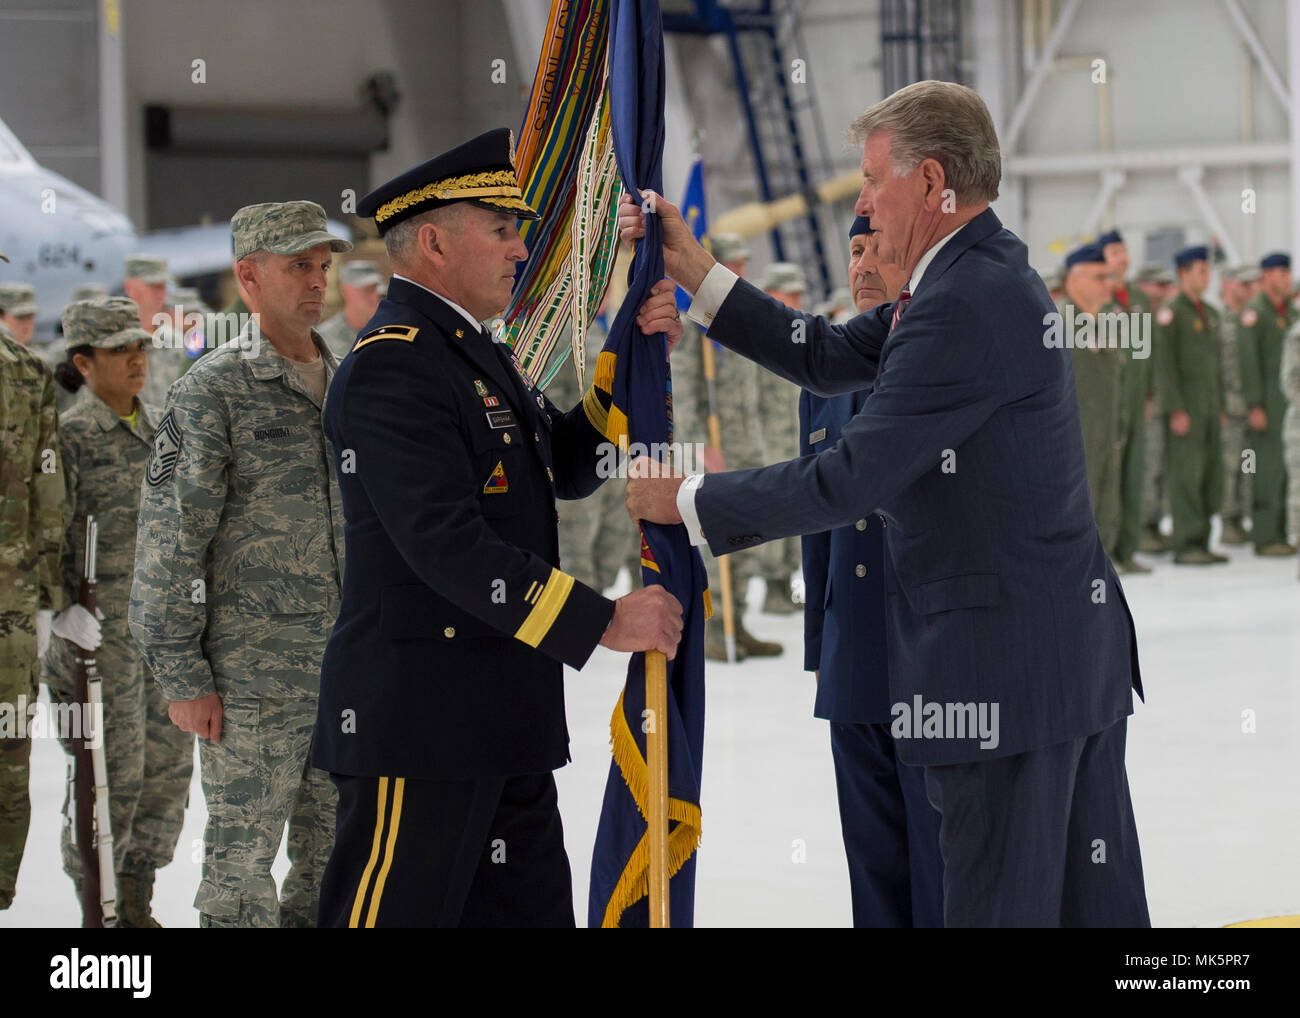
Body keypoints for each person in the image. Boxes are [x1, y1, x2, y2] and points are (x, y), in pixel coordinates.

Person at [621, 80, 1149, 927]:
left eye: (873, 179)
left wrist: (685, 500)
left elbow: (850, 478)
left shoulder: (962, 302)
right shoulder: (973, 275)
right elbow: (826, 353)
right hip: (1056, 664)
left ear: (933, 180)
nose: (861, 200)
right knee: (1095, 908)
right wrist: (694, 270)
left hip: (1005, 680)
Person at [312, 128, 684, 928]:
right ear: (435, 242)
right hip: (419, 732)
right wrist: (604, 620)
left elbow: (563, 466)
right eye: (503, 229)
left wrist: (630, 355)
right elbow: (447, 545)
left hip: (500, 721)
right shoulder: (395, 362)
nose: (521, 249)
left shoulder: (477, 352)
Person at [129, 200, 352, 927]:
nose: (317, 281)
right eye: (298, 267)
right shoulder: (213, 390)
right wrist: (183, 676)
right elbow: (170, 540)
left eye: (323, 266)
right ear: (249, 276)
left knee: (335, 860)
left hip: (348, 671)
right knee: (239, 873)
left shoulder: (351, 381)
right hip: (250, 681)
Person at [801, 215, 942, 927]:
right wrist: (816, 651)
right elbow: (818, 535)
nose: (859, 266)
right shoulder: (822, 385)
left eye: (874, 250)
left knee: (936, 859)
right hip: (852, 658)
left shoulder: (938, 358)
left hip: (930, 661)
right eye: (851, 251)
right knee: (872, 860)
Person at [44, 298, 194, 926]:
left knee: (166, 774)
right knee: (108, 777)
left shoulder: (165, 428)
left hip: (162, 636)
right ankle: (98, 912)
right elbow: (46, 532)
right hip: (95, 639)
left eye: (141, 347)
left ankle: (137, 907)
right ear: (84, 362)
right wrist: (59, 613)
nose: (138, 360)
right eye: (119, 350)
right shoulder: (69, 439)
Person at [671, 233, 780, 660]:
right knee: (712, 541)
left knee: (745, 540)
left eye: (743, 265)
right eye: (733, 264)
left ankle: (739, 621)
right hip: (711, 451)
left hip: (746, 448)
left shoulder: (743, 321)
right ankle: (714, 628)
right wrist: (699, 448)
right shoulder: (697, 323)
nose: (741, 272)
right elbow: (682, 392)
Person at [0, 277, 68, 911]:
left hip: (14, 603)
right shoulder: (25, 369)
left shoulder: (26, 372)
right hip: (15, 605)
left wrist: (50, 595)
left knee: (9, 758)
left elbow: (49, 485)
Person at [1157, 246, 1228, 564]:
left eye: (1207, 270)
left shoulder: (1210, 313)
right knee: (1186, 474)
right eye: (1200, 270)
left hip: (1210, 407)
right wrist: (1175, 408)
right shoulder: (1171, 313)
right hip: (1186, 409)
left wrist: (1222, 406)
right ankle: (1186, 543)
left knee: (1211, 475)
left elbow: (1218, 365)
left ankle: (1203, 540)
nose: (1206, 276)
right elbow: (1164, 364)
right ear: (1183, 274)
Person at [1063, 242, 1129, 562]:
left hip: (1105, 434)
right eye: (1099, 277)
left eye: (1109, 277)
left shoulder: (1105, 325)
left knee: (1106, 500)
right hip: (1073, 439)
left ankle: (1103, 560)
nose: (1108, 284)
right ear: (1074, 280)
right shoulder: (1057, 324)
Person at [755, 261, 807, 616]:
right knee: (771, 516)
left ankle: (786, 583)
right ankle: (772, 587)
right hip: (766, 443)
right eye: (790, 292)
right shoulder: (758, 336)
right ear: (773, 294)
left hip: (794, 439)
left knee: (796, 514)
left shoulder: (800, 333)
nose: (797, 298)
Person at [1100, 229, 1153, 573]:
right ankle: (1106, 550)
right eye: (1115, 251)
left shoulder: (1139, 298)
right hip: (1108, 401)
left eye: (1124, 251)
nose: (1122, 258)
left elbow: (1149, 351)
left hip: (1136, 398)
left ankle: (1128, 547)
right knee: (1109, 475)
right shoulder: (1098, 301)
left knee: (1135, 473)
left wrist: (1150, 394)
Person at [1237, 252, 1296, 556]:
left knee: (1287, 470)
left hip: (1288, 403)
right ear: (1266, 276)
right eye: (1280, 273)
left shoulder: (1288, 313)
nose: (1286, 278)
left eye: (1288, 272)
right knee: (1266, 471)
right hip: (1267, 403)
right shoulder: (1255, 313)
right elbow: (1248, 362)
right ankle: (1264, 535)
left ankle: (1284, 532)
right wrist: (1254, 404)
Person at [1217, 264, 1259, 545]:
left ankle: (1246, 516)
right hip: (1228, 406)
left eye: (1251, 285)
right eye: (1242, 284)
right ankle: (1228, 520)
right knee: (1230, 465)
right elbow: (1212, 368)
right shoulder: (1218, 322)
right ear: (1228, 286)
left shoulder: (1249, 320)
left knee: (1249, 465)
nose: (1248, 290)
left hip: (1249, 405)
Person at [1136, 262, 1176, 552]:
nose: (1162, 291)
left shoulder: (1158, 318)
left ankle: (1154, 524)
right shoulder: (1136, 318)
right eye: (1157, 285)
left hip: (1162, 404)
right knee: (1147, 468)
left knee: (1160, 466)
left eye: (1165, 286)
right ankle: (1141, 527)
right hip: (1145, 405)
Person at [316, 260, 384, 361]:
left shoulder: (388, 331)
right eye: (367, 290)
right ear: (345, 292)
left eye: (377, 290)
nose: (375, 297)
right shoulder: (324, 339)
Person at [0, 283, 37, 347]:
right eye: (20, 317)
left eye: (30, 317)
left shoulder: (39, 354)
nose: (27, 325)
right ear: (1, 317)